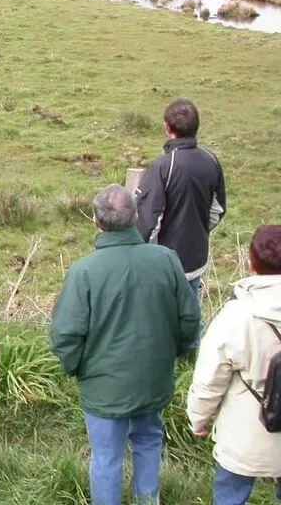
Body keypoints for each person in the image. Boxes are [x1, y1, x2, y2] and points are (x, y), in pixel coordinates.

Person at [51, 184, 201, 505]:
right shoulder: (167, 260)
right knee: (149, 441)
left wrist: (76, 368)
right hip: (154, 378)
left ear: (95, 222)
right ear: (135, 217)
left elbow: (66, 335)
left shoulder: (83, 272)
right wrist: (183, 354)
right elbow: (189, 317)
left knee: (106, 456)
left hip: (103, 386)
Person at [187, 225, 281, 505]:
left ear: (251, 262)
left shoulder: (236, 316)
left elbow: (210, 378)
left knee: (230, 495)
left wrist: (199, 419)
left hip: (246, 436)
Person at [135, 98, 227, 303]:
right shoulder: (211, 160)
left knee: (160, 318)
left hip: (163, 268)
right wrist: (197, 231)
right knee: (190, 318)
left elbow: (149, 222)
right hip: (195, 262)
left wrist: (143, 256)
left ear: (167, 128)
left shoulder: (163, 167)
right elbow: (217, 209)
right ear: (197, 127)